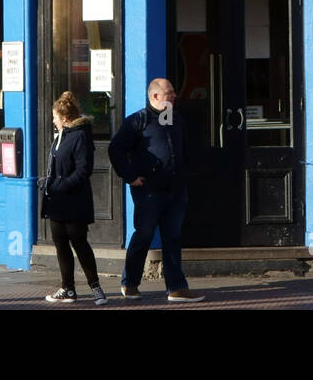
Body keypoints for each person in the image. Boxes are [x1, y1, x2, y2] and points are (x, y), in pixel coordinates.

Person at [107, 78, 204, 302]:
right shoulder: (138, 120)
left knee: (173, 237)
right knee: (144, 235)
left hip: (175, 189)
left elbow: (183, 148)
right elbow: (116, 149)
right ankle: (130, 283)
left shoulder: (175, 119)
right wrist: (130, 176)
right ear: (155, 97)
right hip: (149, 191)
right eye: (169, 93)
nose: (174, 96)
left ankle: (176, 287)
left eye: (173, 92)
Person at [40, 92, 107, 305]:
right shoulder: (61, 136)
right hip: (57, 201)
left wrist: (60, 185)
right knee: (60, 243)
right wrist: (48, 182)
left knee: (79, 243)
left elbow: (83, 170)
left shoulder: (79, 136)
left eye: (54, 117)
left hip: (74, 201)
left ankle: (96, 288)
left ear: (65, 118)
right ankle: (67, 288)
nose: (53, 121)